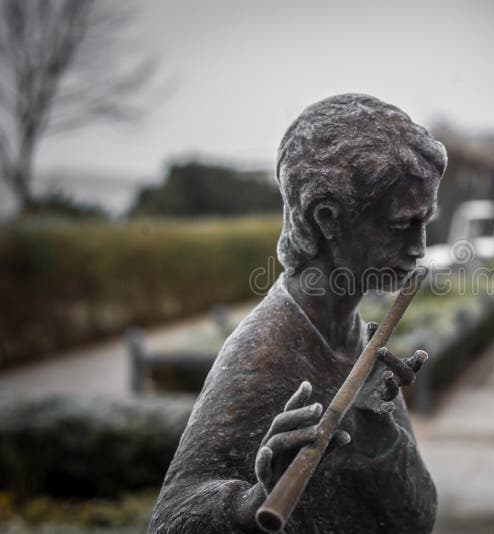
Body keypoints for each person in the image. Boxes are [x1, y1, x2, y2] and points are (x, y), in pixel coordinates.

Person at [149, 94, 447, 533]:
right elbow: (168, 524)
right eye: (402, 224)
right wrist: (248, 506)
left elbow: (418, 519)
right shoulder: (264, 352)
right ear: (327, 218)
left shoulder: (356, 338)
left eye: (426, 222)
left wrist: (381, 442)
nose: (419, 248)